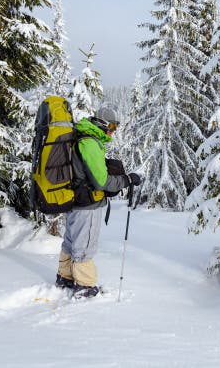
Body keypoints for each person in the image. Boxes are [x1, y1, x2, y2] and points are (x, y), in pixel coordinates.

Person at [56, 105, 142, 298]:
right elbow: (101, 181)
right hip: (87, 203)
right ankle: (84, 286)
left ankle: (65, 277)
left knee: (71, 241)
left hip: (75, 200)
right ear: (102, 123)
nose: (113, 130)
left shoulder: (82, 136)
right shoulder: (90, 143)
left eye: (116, 126)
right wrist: (127, 180)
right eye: (112, 126)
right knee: (84, 245)